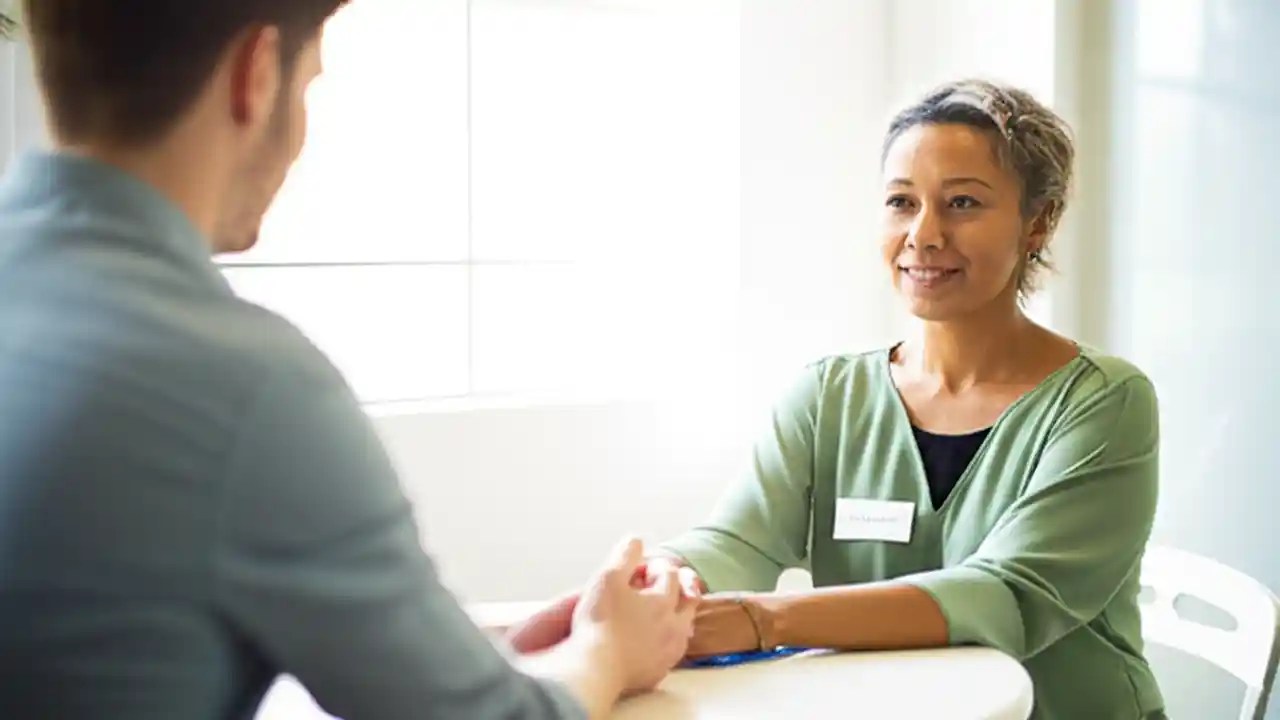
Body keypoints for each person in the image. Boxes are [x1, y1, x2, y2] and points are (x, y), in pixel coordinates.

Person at [0, 2, 696, 718]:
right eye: (309, 85)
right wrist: (610, 651)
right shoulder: (245, 384)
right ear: (257, 74)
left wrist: (475, 658)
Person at [645, 79, 1167, 720]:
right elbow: (738, 539)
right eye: (900, 202)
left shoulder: (1105, 404)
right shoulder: (828, 395)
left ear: (1040, 221)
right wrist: (668, 576)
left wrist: (763, 619)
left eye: (963, 203)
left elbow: (1005, 596)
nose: (923, 234)